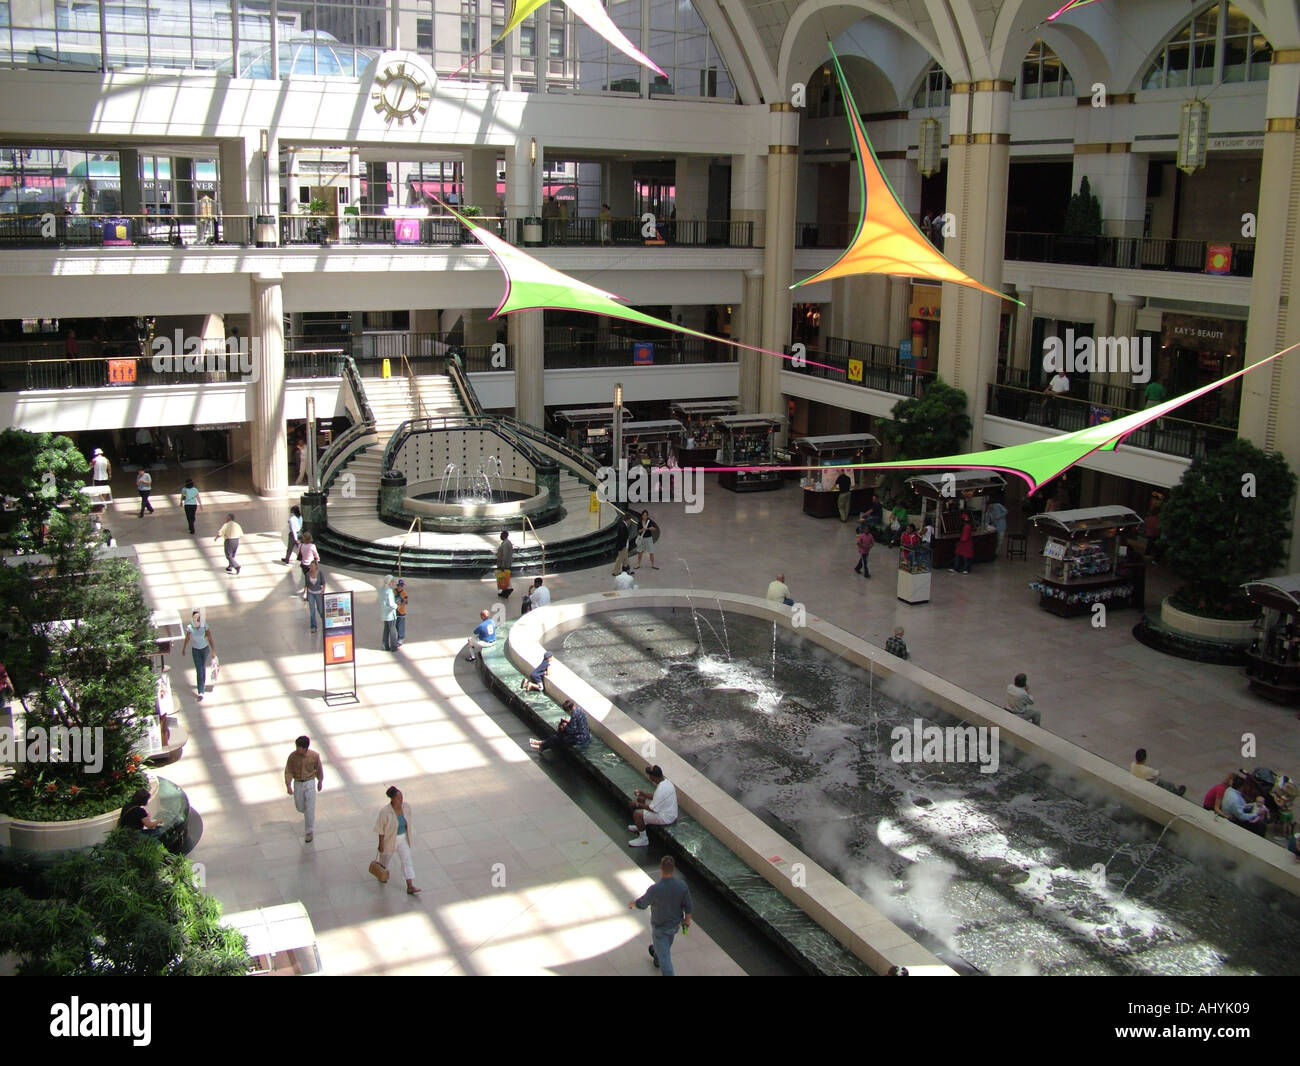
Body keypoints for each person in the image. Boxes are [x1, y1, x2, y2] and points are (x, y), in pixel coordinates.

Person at [628, 855, 693, 976]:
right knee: (665, 945)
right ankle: (657, 957)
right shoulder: (682, 886)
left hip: (660, 928)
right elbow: (688, 906)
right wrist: (687, 921)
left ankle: (659, 957)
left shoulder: (655, 889)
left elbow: (643, 903)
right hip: (674, 926)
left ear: (660, 868)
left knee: (665, 958)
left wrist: (634, 903)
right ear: (673, 869)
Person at [374, 786, 421, 895]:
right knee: (385, 860)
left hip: (402, 839)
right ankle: (382, 874)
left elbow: (407, 822)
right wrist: (381, 844)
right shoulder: (385, 812)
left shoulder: (406, 808)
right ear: (392, 799)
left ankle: (410, 885)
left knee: (406, 860)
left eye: (401, 797)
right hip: (389, 840)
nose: (401, 799)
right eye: (398, 798)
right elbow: (380, 829)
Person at [284, 735, 324, 843]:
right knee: (300, 806)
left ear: (305, 748)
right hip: (298, 783)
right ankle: (305, 812)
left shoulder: (314, 756)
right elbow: (289, 771)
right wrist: (288, 785)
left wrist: (320, 781)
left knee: (310, 807)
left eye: (299, 748)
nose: (297, 749)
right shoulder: (292, 756)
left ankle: (309, 831)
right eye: (297, 747)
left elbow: (319, 768)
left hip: (310, 782)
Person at [628, 764, 678, 847]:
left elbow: (652, 809)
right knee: (641, 798)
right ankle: (639, 825)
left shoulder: (661, 789)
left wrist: (636, 804)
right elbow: (656, 798)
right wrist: (643, 794)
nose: (649, 777)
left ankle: (643, 839)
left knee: (637, 813)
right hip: (668, 811)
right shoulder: (666, 782)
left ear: (654, 777)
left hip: (666, 817)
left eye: (650, 775)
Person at [179, 609, 216, 702]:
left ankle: (201, 686)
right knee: (199, 669)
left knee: (202, 668)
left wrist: (213, 650)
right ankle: (200, 691)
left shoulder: (205, 626)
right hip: (195, 650)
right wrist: (184, 648)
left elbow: (210, 638)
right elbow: (187, 639)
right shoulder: (190, 628)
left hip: (204, 649)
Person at [304, 561, 326, 633]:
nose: (311, 567)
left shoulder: (320, 573)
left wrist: (323, 590)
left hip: (318, 593)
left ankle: (324, 620)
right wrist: (306, 594)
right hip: (311, 593)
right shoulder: (307, 574)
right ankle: (313, 626)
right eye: (311, 566)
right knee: (312, 610)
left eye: (313, 566)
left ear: (316, 567)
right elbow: (307, 585)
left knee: (320, 609)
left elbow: (323, 582)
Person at [380, 576, 399, 652]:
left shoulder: (382, 590)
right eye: (392, 581)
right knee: (392, 630)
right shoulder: (390, 591)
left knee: (386, 630)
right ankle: (394, 647)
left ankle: (385, 645)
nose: (393, 583)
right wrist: (396, 606)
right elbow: (391, 603)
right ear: (389, 582)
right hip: (390, 614)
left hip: (384, 613)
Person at [496, 530, 514, 598]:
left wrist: (502, 565)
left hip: (504, 564)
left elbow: (505, 555)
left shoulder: (506, 543)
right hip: (506, 563)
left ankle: (508, 589)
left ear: (504, 535)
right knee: (503, 578)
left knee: (504, 578)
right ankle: (504, 591)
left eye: (501, 535)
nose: (500, 536)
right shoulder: (506, 542)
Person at [394, 579, 408, 646]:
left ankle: (400, 639)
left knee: (401, 626)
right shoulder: (393, 591)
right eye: (400, 585)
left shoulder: (404, 593)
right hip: (394, 612)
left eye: (402, 586)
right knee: (395, 626)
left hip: (401, 613)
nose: (401, 587)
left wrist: (400, 606)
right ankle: (395, 638)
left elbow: (405, 601)